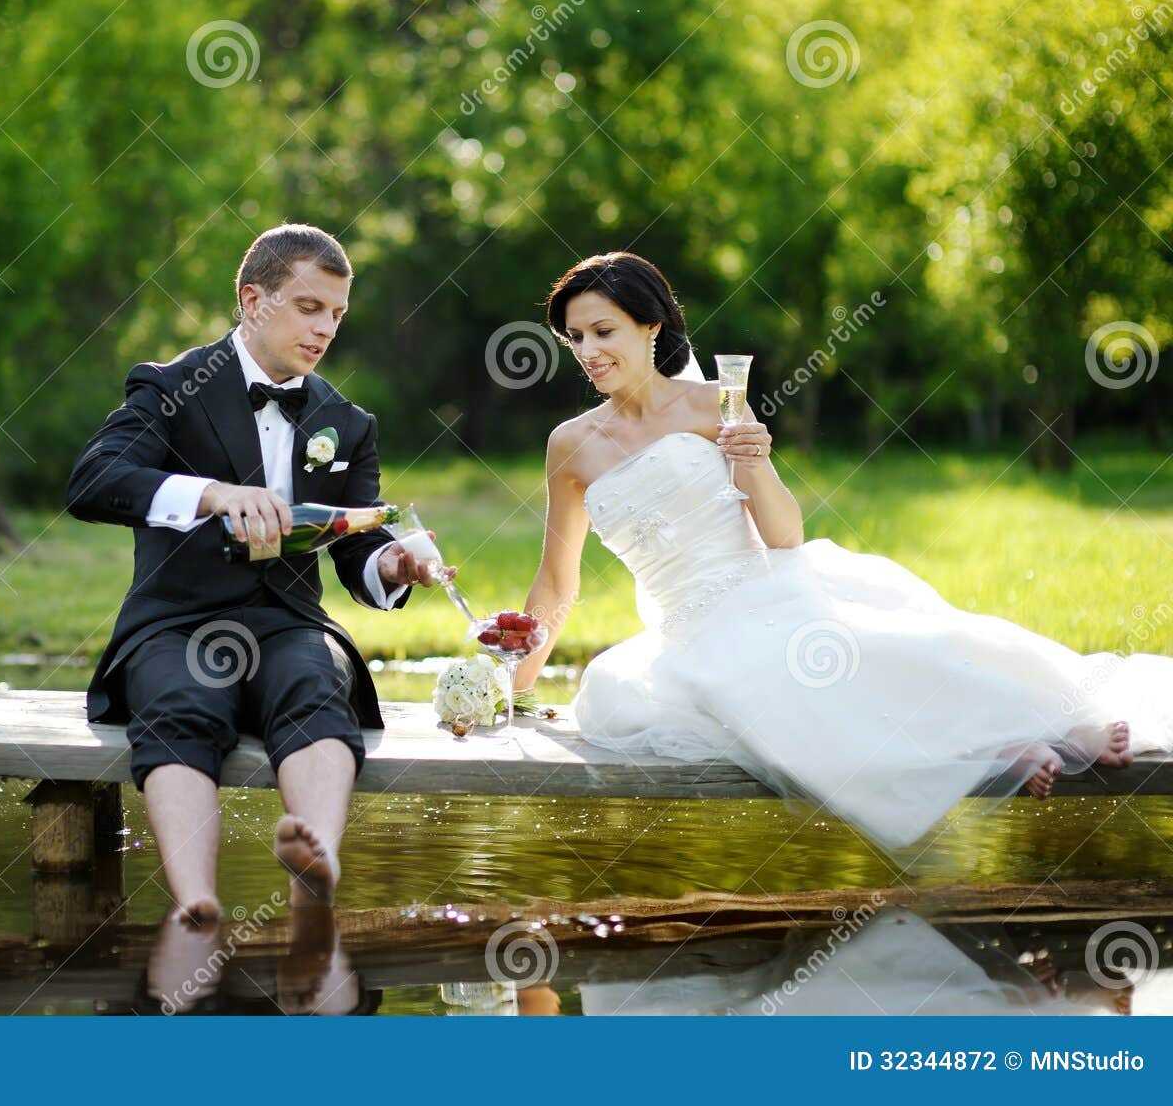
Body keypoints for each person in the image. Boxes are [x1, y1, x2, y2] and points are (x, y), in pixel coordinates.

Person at [512, 251, 1171, 853]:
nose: (588, 351)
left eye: (603, 331)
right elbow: (557, 581)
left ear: (651, 326)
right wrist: (506, 690)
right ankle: (992, 752)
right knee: (661, 692)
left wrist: (757, 462)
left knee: (866, 651)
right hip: (682, 632)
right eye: (575, 337)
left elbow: (784, 536)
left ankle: (1044, 724)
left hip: (763, 586)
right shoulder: (570, 445)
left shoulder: (715, 402)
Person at [65, 223, 444, 922]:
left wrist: (390, 562)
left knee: (315, 689)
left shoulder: (346, 422)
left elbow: (354, 545)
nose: (325, 328)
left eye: (337, 313)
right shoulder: (171, 385)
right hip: (175, 621)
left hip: (290, 622)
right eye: (309, 307)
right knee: (178, 704)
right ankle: (197, 902)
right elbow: (94, 481)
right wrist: (213, 494)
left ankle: (316, 872)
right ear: (252, 300)